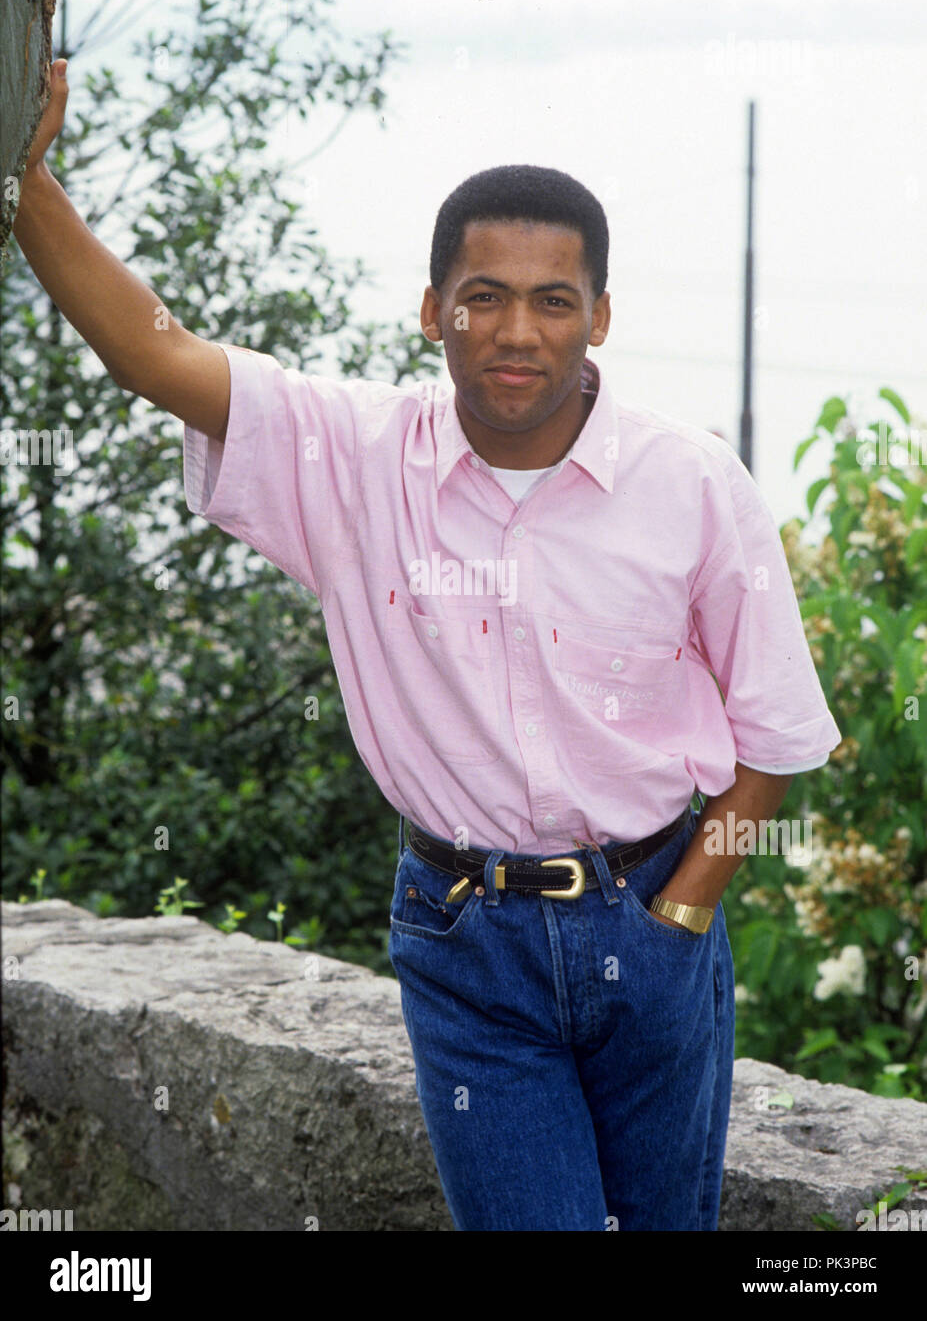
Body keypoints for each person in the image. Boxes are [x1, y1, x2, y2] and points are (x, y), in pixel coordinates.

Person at [13, 60, 841, 1232]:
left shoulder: (694, 483)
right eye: (483, 295)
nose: (516, 331)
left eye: (554, 300)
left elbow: (780, 739)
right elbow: (158, 357)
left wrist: (686, 914)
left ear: (600, 317)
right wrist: (25, 181)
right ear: (431, 307)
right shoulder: (352, 459)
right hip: (465, 944)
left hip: (655, 919)